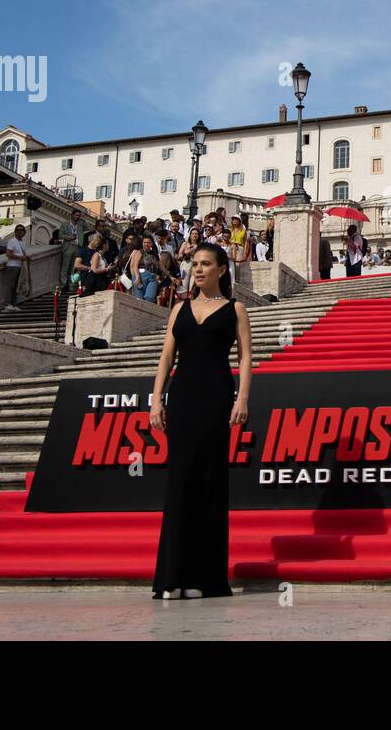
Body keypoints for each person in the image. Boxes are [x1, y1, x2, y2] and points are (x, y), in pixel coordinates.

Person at [148, 243, 251, 600]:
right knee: (180, 483)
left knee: (210, 484)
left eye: (206, 264)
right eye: (195, 264)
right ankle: (171, 578)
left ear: (223, 269)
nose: (198, 269)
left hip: (217, 399)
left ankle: (205, 579)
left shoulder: (235, 309)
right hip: (182, 399)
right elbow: (166, 356)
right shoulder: (179, 308)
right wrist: (155, 400)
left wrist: (242, 398)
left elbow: (246, 357)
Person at [128, 235, 163, 302]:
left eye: (148, 242)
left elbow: (160, 265)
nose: (146, 244)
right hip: (140, 275)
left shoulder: (155, 254)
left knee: (150, 298)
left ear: (152, 244)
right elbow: (134, 265)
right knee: (138, 299)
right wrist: (137, 277)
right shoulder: (138, 252)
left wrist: (169, 276)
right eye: (144, 242)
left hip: (152, 276)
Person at [3, 224, 28, 310]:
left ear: (24, 232)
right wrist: (20, 257)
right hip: (12, 266)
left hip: (20, 267)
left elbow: (24, 254)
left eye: (21, 230)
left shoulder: (24, 243)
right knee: (10, 285)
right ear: (15, 232)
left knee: (16, 286)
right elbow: (8, 254)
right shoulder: (12, 241)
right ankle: (7, 304)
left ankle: (14, 304)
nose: (19, 231)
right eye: (17, 230)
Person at [57, 210, 83, 293]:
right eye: (76, 215)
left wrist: (84, 219)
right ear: (72, 215)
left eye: (79, 216)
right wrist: (69, 237)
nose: (78, 217)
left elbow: (89, 228)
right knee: (65, 268)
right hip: (68, 247)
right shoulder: (65, 224)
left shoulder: (80, 225)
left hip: (77, 247)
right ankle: (64, 285)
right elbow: (60, 235)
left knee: (72, 269)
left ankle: (70, 285)